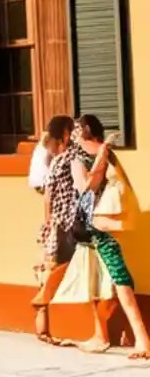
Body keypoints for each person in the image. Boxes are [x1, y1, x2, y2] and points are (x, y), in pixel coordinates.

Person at [69, 114, 150, 359]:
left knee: (114, 276)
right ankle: (108, 335)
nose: (73, 134)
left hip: (96, 224)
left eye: (75, 129)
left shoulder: (81, 157)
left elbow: (85, 188)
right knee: (109, 276)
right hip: (113, 221)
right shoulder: (107, 152)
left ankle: (140, 338)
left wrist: (97, 161)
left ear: (83, 131)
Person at [32, 115, 80, 344]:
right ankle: (42, 301)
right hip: (66, 224)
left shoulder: (54, 161)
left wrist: (48, 221)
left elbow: (48, 196)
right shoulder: (68, 158)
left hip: (56, 224)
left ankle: (43, 327)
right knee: (60, 267)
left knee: (52, 268)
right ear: (66, 135)